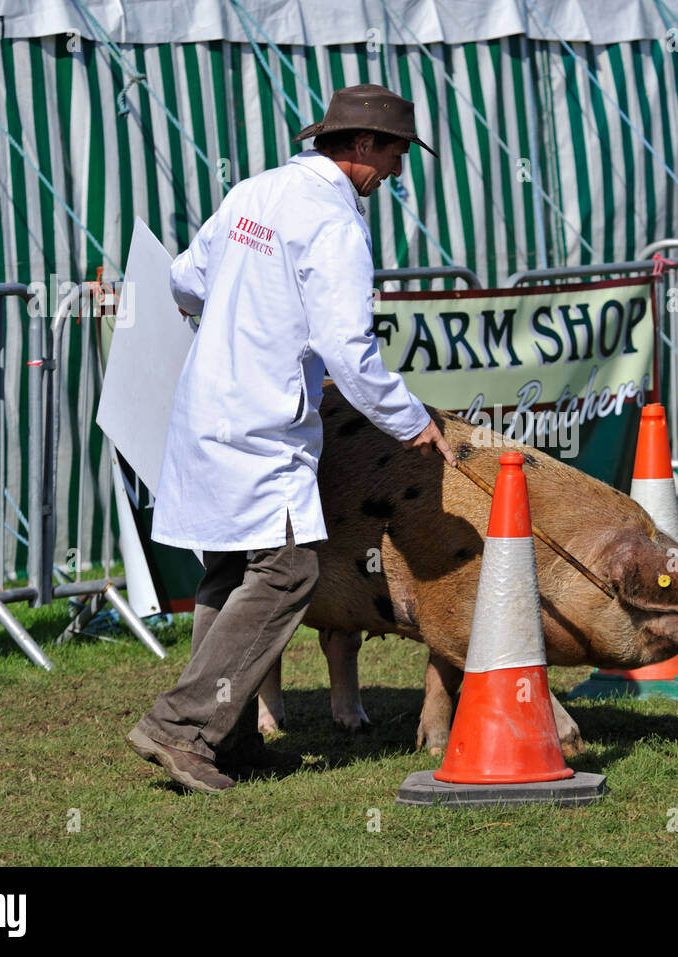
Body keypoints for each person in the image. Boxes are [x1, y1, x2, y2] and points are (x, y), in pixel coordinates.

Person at [127, 85, 456, 794]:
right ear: (363, 145)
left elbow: (186, 279)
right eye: (396, 153)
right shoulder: (334, 222)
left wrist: (244, 317)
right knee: (287, 571)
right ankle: (183, 727)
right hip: (261, 423)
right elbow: (348, 348)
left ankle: (232, 736)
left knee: (231, 570)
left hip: (208, 407)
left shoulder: (254, 190)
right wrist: (414, 422)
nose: (398, 171)